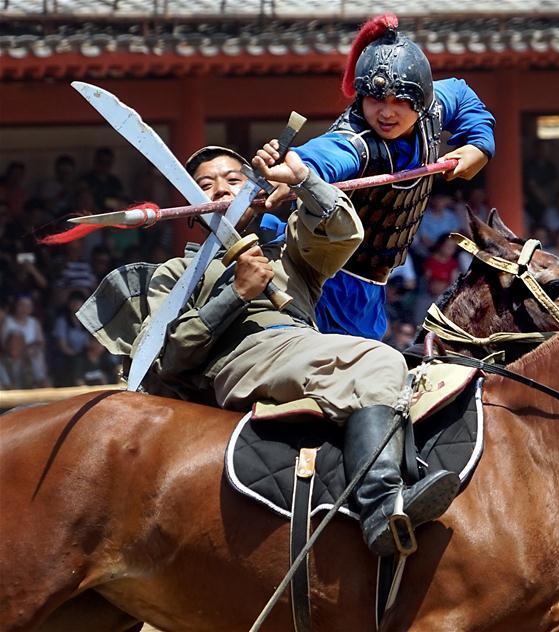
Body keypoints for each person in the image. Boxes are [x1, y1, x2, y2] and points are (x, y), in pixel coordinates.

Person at [79, 142, 460, 557]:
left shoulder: (289, 252)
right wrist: (235, 295)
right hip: (240, 361)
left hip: (304, 345)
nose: (221, 190)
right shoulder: (175, 274)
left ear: (256, 190)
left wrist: (304, 180)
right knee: (379, 357)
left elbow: (343, 233)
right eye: (205, 185)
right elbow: (167, 359)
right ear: (191, 203)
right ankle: (381, 502)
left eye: (233, 180)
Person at [266, 13, 495, 341]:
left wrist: (480, 144)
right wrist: (293, 171)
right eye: (376, 100)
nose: (387, 113)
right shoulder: (354, 141)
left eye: (400, 101)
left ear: (422, 101)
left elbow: (461, 93)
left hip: (372, 285)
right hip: (329, 281)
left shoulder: (433, 109)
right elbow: (322, 157)